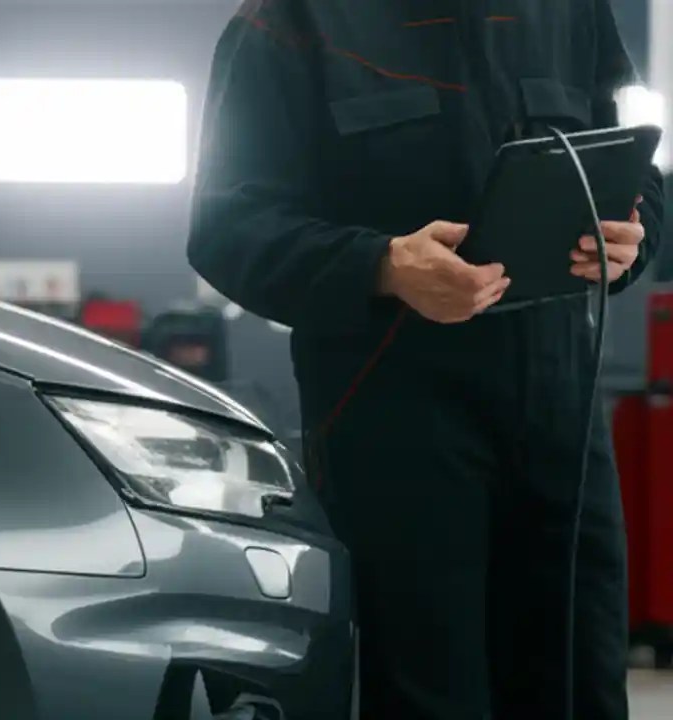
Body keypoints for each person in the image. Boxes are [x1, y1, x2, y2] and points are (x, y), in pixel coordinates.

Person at [188, 1, 664, 718]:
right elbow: (228, 229)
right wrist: (380, 264)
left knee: (581, 686)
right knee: (427, 696)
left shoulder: (572, 9)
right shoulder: (292, 19)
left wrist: (633, 234)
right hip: (394, 421)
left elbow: (637, 165)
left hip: (561, 417)